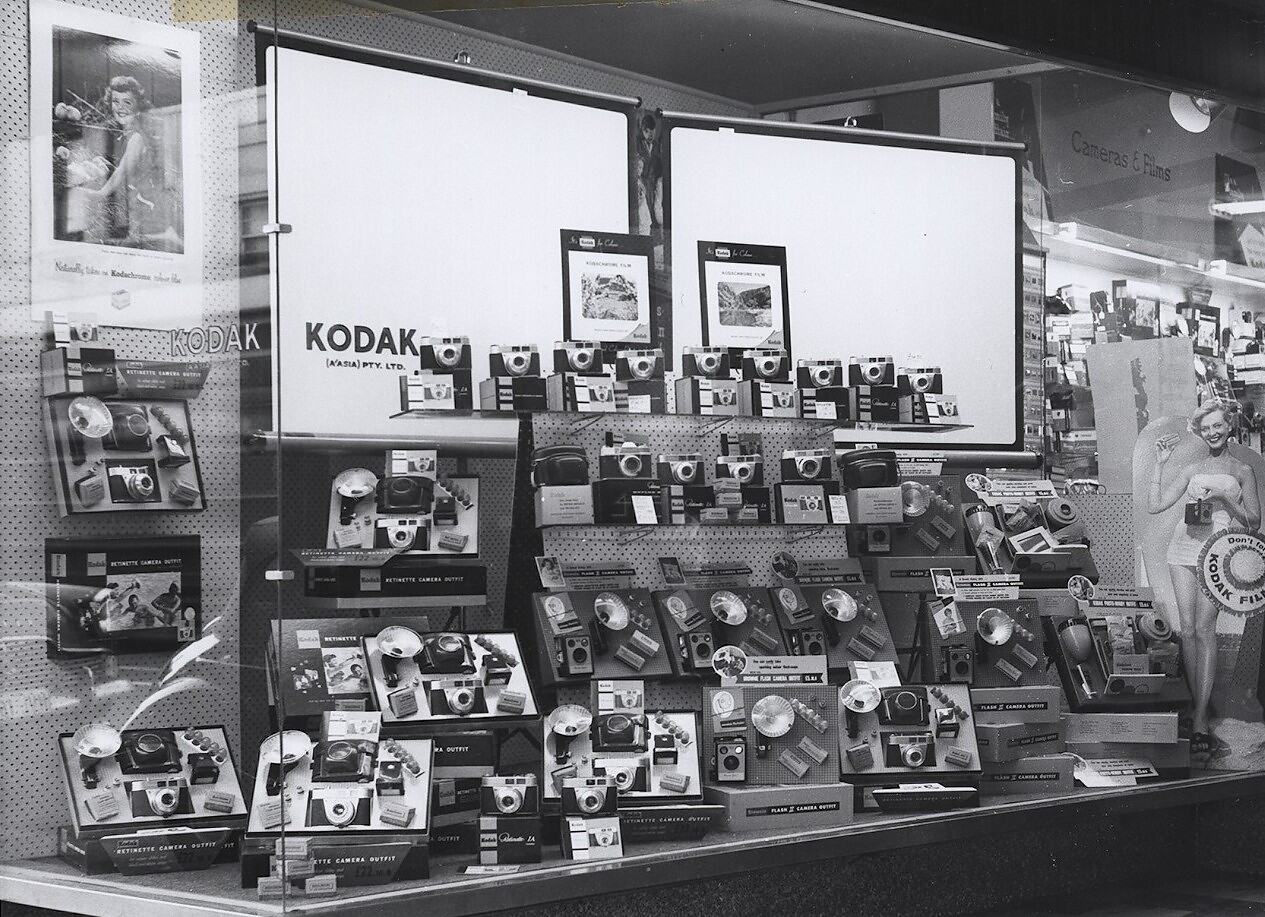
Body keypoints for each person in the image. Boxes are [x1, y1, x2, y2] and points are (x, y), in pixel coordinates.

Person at [1149, 400, 1261, 758]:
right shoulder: (1193, 467)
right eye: (1206, 427)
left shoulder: (1242, 469)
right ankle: (1200, 713)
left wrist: (1226, 499)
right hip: (1181, 549)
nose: (1213, 432)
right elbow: (1155, 505)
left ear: (1229, 426)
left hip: (1216, 555)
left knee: (1205, 629)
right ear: (1200, 431)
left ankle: (1199, 718)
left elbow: (1254, 522)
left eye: (1218, 426)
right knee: (1188, 630)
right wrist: (1160, 464)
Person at [81, 76, 182, 251]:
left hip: (148, 214)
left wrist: (96, 193)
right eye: (115, 101)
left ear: (137, 106)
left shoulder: (136, 137)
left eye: (127, 102)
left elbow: (121, 173)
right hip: (138, 213)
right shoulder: (129, 134)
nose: (120, 108)